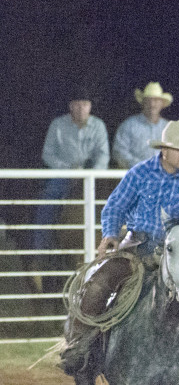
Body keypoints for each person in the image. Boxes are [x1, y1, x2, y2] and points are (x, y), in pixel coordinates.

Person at [62, 120, 179, 385]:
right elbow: (115, 206)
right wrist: (110, 234)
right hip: (139, 248)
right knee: (96, 286)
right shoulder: (140, 174)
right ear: (164, 150)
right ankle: (79, 348)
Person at [34, 85, 110, 258]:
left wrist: (91, 174)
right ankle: (41, 250)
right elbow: (48, 154)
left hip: (92, 177)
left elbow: (103, 155)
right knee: (48, 200)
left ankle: (114, 247)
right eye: (76, 104)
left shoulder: (98, 126)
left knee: (114, 202)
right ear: (70, 106)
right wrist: (67, 170)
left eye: (84, 104)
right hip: (63, 175)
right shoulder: (58, 125)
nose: (81, 108)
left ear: (90, 106)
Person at [111, 82, 172, 168]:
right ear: (143, 103)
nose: (152, 104)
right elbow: (119, 152)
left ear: (162, 104)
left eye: (156, 100)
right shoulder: (129, 125)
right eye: (149, 100)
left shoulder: (170, 128)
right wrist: (142, 167)